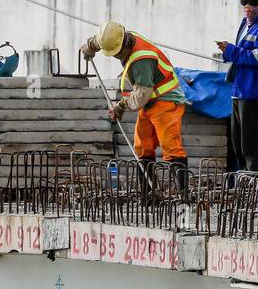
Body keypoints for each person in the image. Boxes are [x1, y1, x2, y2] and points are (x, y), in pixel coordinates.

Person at [80, 20, 188, 189]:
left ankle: (184, 195)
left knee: (171, 147)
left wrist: (120, 106)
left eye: (116, 53)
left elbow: (140, 97)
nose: (116, 56)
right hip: (150, 102)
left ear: (122, 45)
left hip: (166, 101)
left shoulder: (142, 60)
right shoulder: (120, 36)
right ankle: (148, 193)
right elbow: (102, 39)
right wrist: (90, 46)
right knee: (143, 146)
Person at [216, 0, 258, 174]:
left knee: (252, 144)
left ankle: (257, 182)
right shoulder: (245, 24)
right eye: (245, 2)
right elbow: (241, 53)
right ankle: (245, 183)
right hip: (238, 91)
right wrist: (228, 52)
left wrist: (232, 51)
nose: (248, 6)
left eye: (253, 2)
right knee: (238, 144)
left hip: (252, 93)